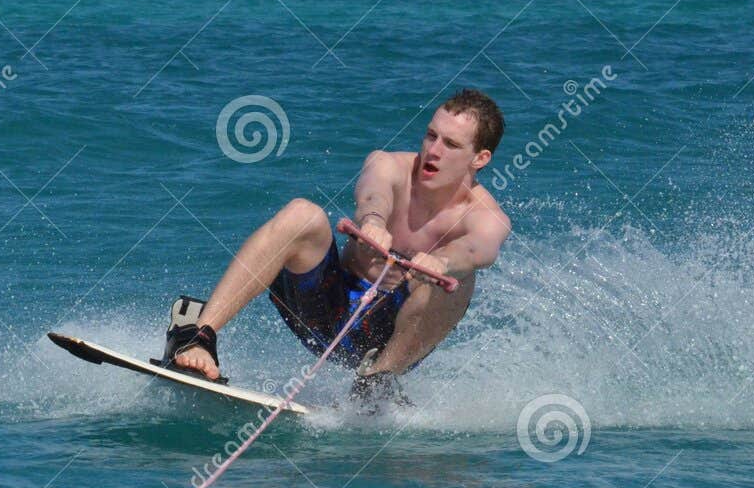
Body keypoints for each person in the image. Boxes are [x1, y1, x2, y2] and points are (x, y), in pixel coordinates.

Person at [168, 89, 511, 400]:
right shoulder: (389, 164)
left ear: (479, 158)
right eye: (431, 135)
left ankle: (376, 385)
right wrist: (374, 221)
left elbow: (479, 249)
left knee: (459, 282)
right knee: (303, 214)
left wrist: (443, 262)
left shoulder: (485, 216)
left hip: (389, 341)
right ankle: (198, 336)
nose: (433, 151)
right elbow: (374, 192)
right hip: (323, 312)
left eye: (450, 145)